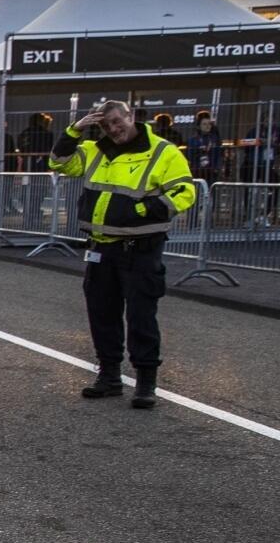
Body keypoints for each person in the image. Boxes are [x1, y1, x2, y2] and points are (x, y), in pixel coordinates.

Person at [50, 99, 198, 409]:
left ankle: (146, 383)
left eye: (118, 121)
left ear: (131, 116)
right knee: (102, 313)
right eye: (105, 125)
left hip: (140, 248)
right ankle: (109, 376)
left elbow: (185, 192)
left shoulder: (162, 151)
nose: (113, 129)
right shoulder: (94, 150)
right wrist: (75, 130)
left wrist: (140, 210)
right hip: (101, 247)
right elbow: (59, 162)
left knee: (141, 316)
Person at [184, 109, 225, 184]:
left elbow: (219, 155)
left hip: (212, 172)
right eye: (204, 124)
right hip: (197, 171)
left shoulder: (215, 139)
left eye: (209, 124)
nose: (207, 126)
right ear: (199, 126)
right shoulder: (192, 140)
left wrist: (216, 168)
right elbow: (190, 156)